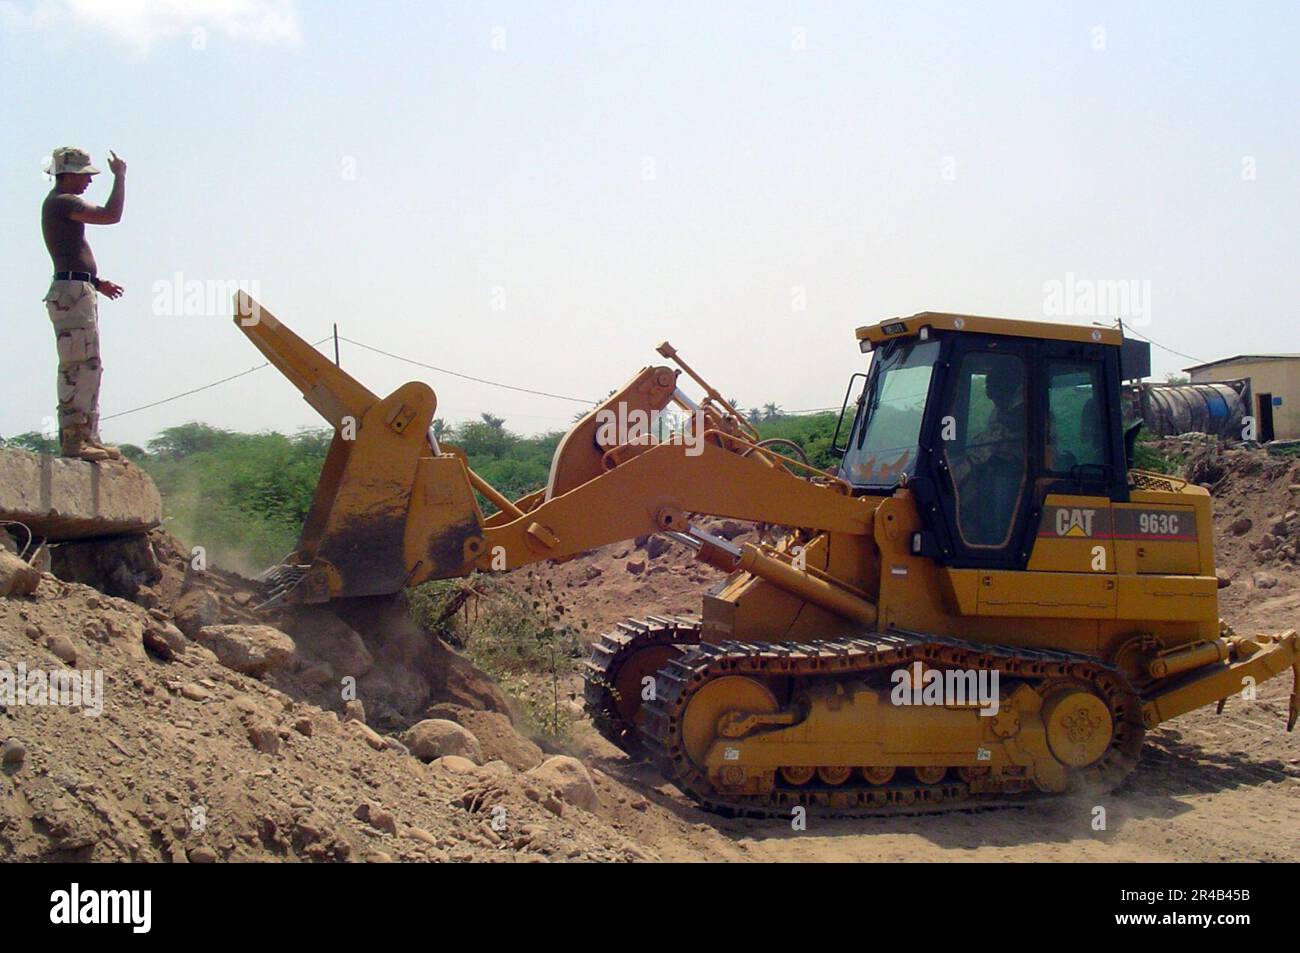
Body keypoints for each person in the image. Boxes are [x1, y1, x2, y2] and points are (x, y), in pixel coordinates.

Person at [41, 147, 127, 462]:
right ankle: (75, 440)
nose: (88, 181)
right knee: (77, 366)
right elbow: (110, 215)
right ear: (68, 174)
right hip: (71, 292)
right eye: (84, 175)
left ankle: (88, 435)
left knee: (88, 365)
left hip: (77, 289)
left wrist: (95, 282)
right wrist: (120, 178)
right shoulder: (62, 202)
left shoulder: (60, 204)